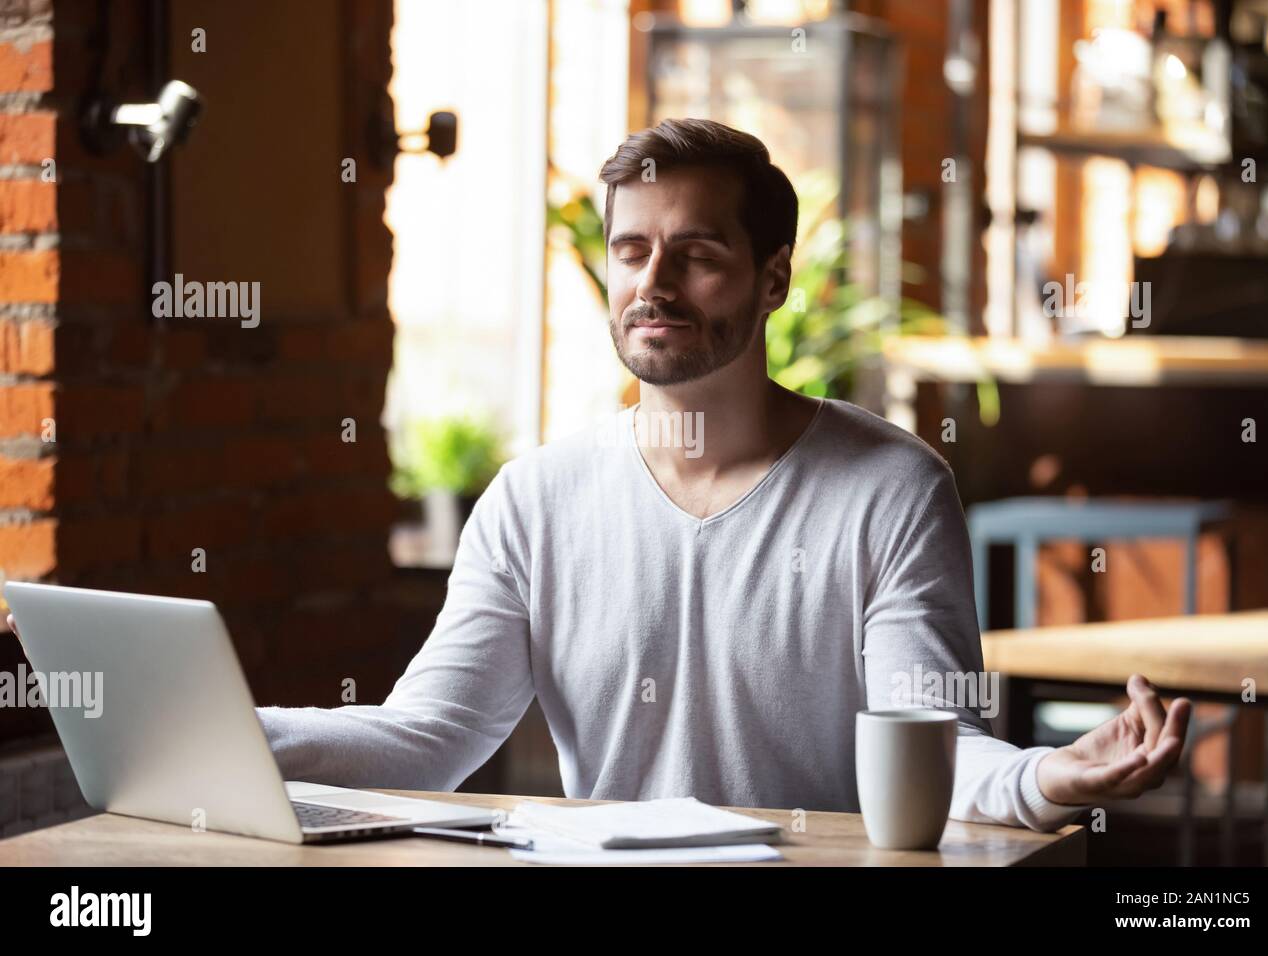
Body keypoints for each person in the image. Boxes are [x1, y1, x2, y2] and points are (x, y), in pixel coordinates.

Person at [7, 118, 1189, 831]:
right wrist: (236, 731)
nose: (654, 283)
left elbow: (927, 742)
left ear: (774, 280)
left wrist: (1053, 774)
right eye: (632, 250)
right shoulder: (532, 500)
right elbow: (426, 736)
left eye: (700, 254)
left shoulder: (887, 488)